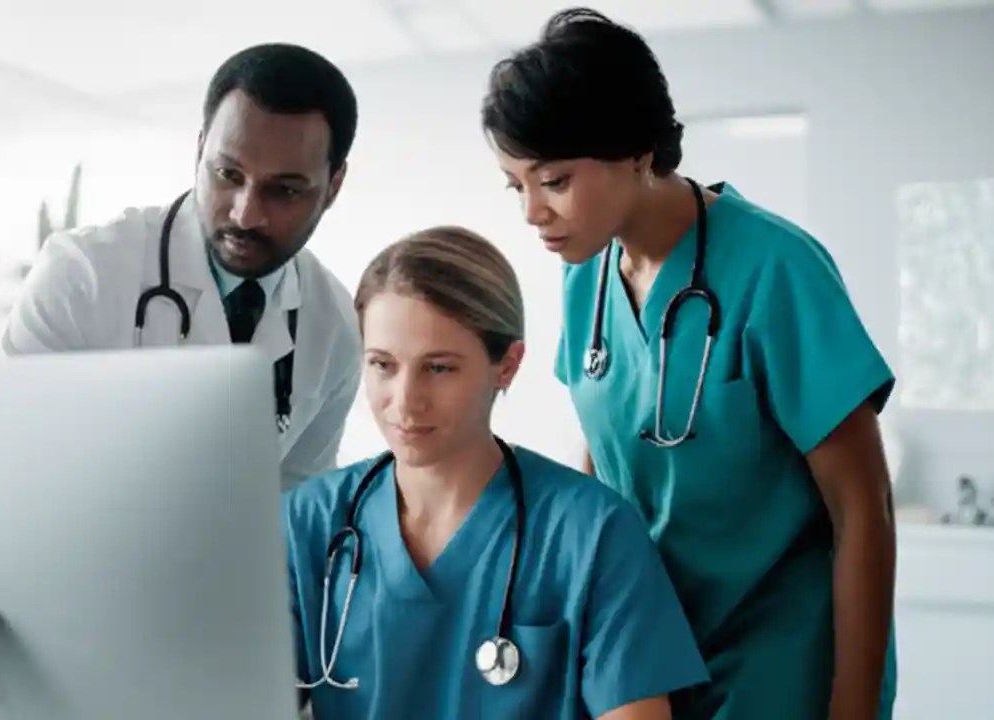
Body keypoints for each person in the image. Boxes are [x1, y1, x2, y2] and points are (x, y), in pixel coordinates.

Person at [481, 8, 897, 720]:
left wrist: (852, 704)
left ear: (638, 153)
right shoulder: (587, 270)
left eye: (553, 181)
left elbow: (863, 508)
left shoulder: (775, 268)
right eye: (514, 184)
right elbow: (606, 454)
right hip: (649, 651)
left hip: (781, 660)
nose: (531, 212)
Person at [283, 226, 709, 719]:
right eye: (383, 365)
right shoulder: (308, 524)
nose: (405, 401)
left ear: (506, 365)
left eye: (439, 368)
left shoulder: (591, 534)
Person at [0, 43, 362, 489]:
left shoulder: (335, 326)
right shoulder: (82, 276)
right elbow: (11, 463)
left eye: (284, 190)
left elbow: (293, 512)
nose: (245, 214)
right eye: (228, 175)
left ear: (333, 186)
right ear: (199, 152)